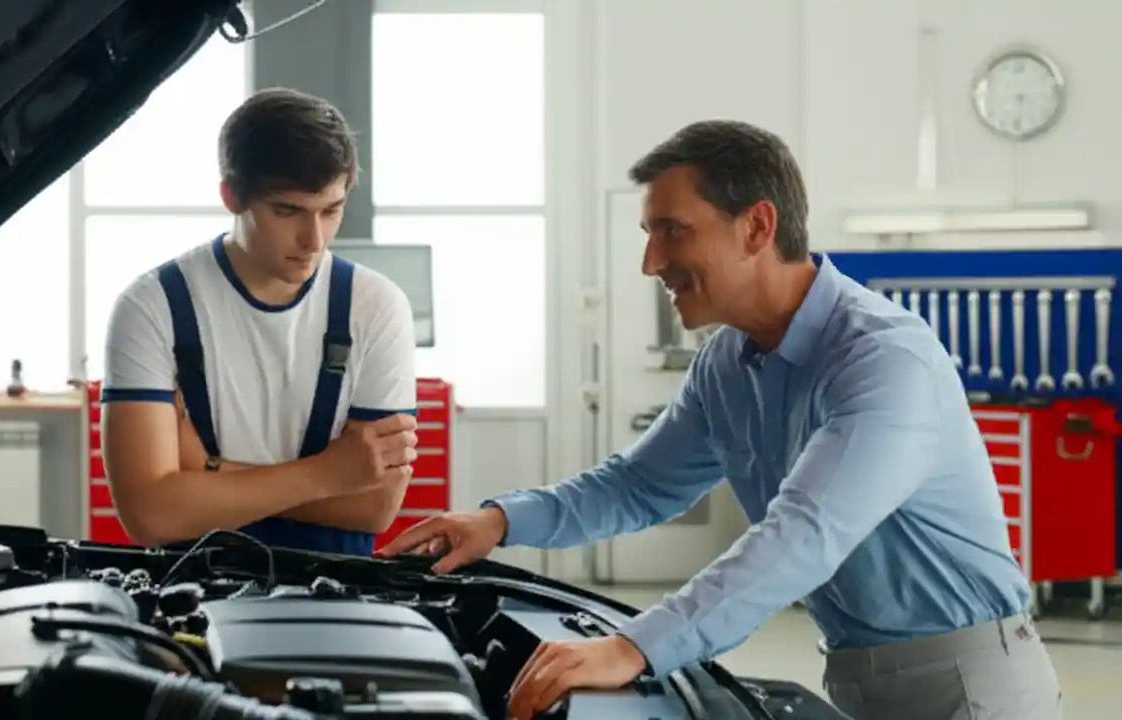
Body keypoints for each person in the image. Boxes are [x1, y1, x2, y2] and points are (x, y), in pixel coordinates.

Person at [377, 120, 1063, 719]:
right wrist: (499, 521)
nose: (651, 263)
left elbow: (803, 535)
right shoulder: (727, 362)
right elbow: (638, 486)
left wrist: (635, 646)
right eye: (649, 234)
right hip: (856, 674)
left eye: (672, 231)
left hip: (972, 687)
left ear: (758, 226)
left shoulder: (883, 361)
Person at [101, 87, 419, 555]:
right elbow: (150, 515)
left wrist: (211, 473)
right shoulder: (152, 307)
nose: (314, 239)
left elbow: (374, 506)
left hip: (334, 590)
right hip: (196, 589)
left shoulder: (377, 306)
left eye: (331, 211)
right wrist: (328, 474)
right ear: (232, 196)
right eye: (287, 211)